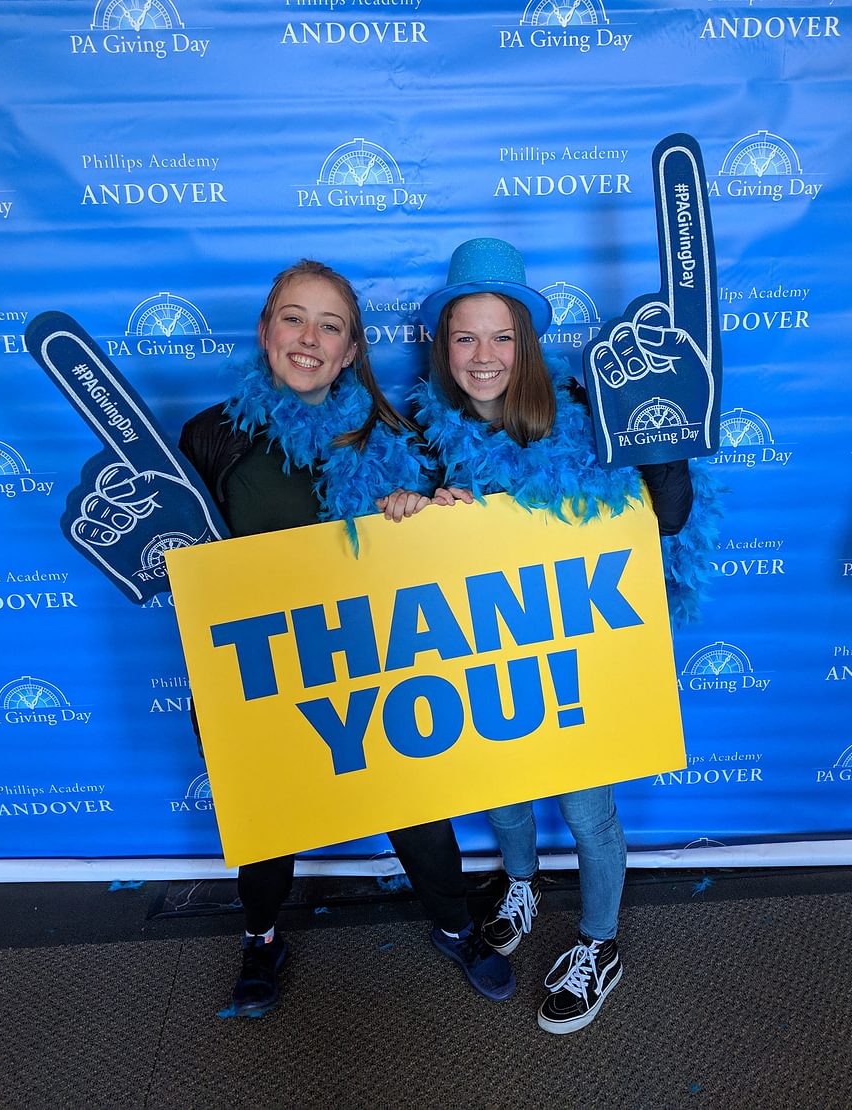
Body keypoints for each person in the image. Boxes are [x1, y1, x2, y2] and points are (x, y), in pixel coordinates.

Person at [179, 258, 515, 1016]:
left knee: (419, 812)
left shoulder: (391, 435)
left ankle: (456, 925)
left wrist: (430, 509)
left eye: (330, 326)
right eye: (293, 318)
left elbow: (446, 551)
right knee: (264, 821)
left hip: (375, 668)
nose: (309, 338)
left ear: (352, 350)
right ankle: (262, 936)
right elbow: (187, 563)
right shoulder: (208, 437)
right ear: (266, 332)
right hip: (259, 673)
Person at [414, 238, 720, 1035]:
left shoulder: (584, 421)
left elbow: (669, 516)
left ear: (527, 342)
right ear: (444, 346)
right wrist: (413, 519)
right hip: (483, 661)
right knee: (506, 793)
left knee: (587, 814)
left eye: (502, 336)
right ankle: (521, 882)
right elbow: (387, 563)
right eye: (465, 336)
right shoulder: (418, 440)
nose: (484, 356)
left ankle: (600, 943)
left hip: (574, 660)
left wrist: (669, 443)